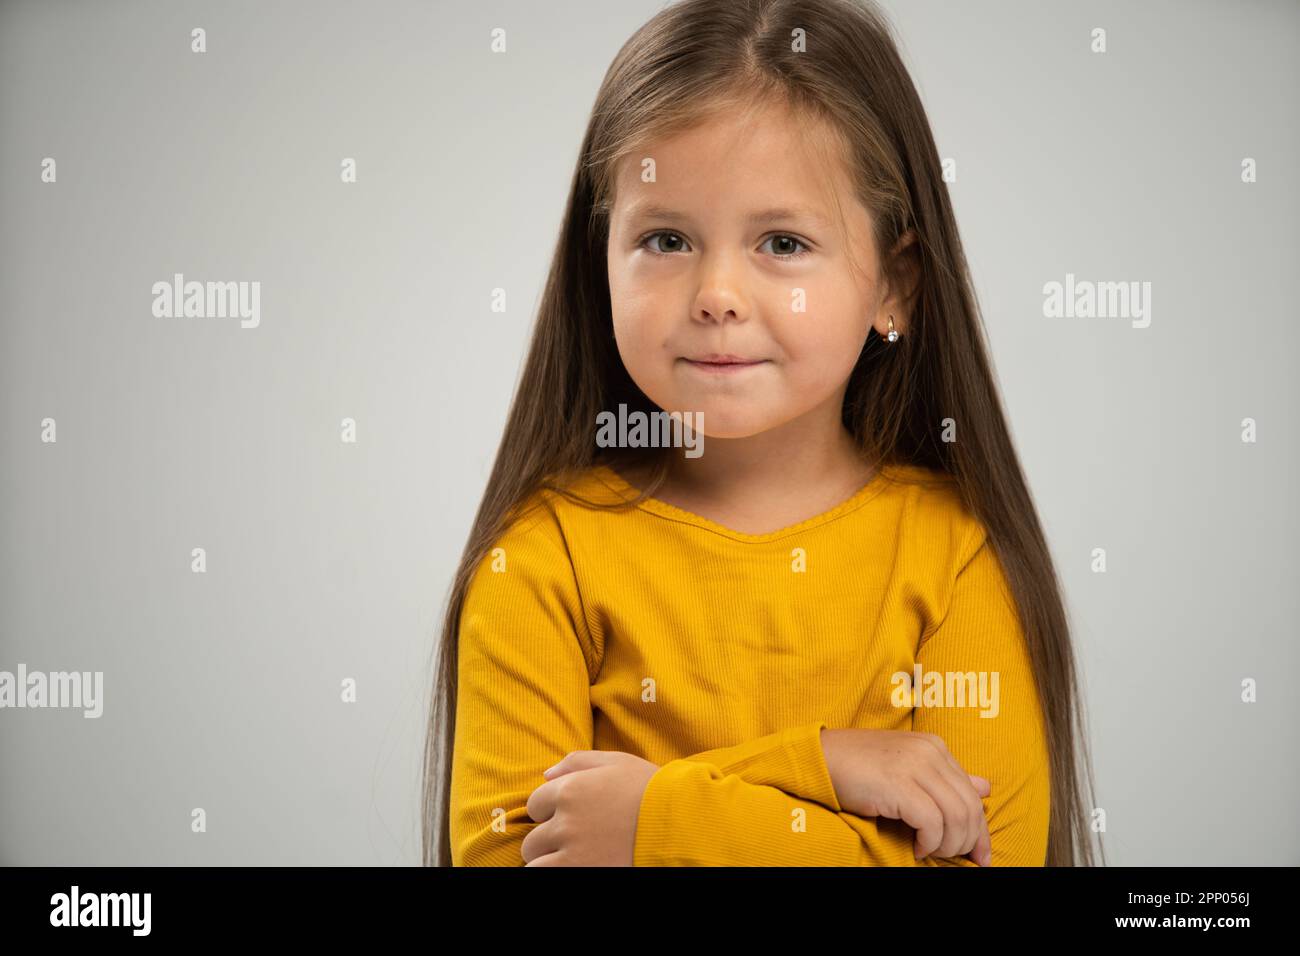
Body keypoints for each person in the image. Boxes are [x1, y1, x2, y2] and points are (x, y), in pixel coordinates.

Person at [423, 0, 1101, 867]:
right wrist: (825, 773)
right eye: (665, 238)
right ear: (600, 260)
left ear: (894, 286)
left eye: (782, 241)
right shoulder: (540, 563)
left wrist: (655, 824)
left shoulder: (954, 557)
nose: (717, 294)